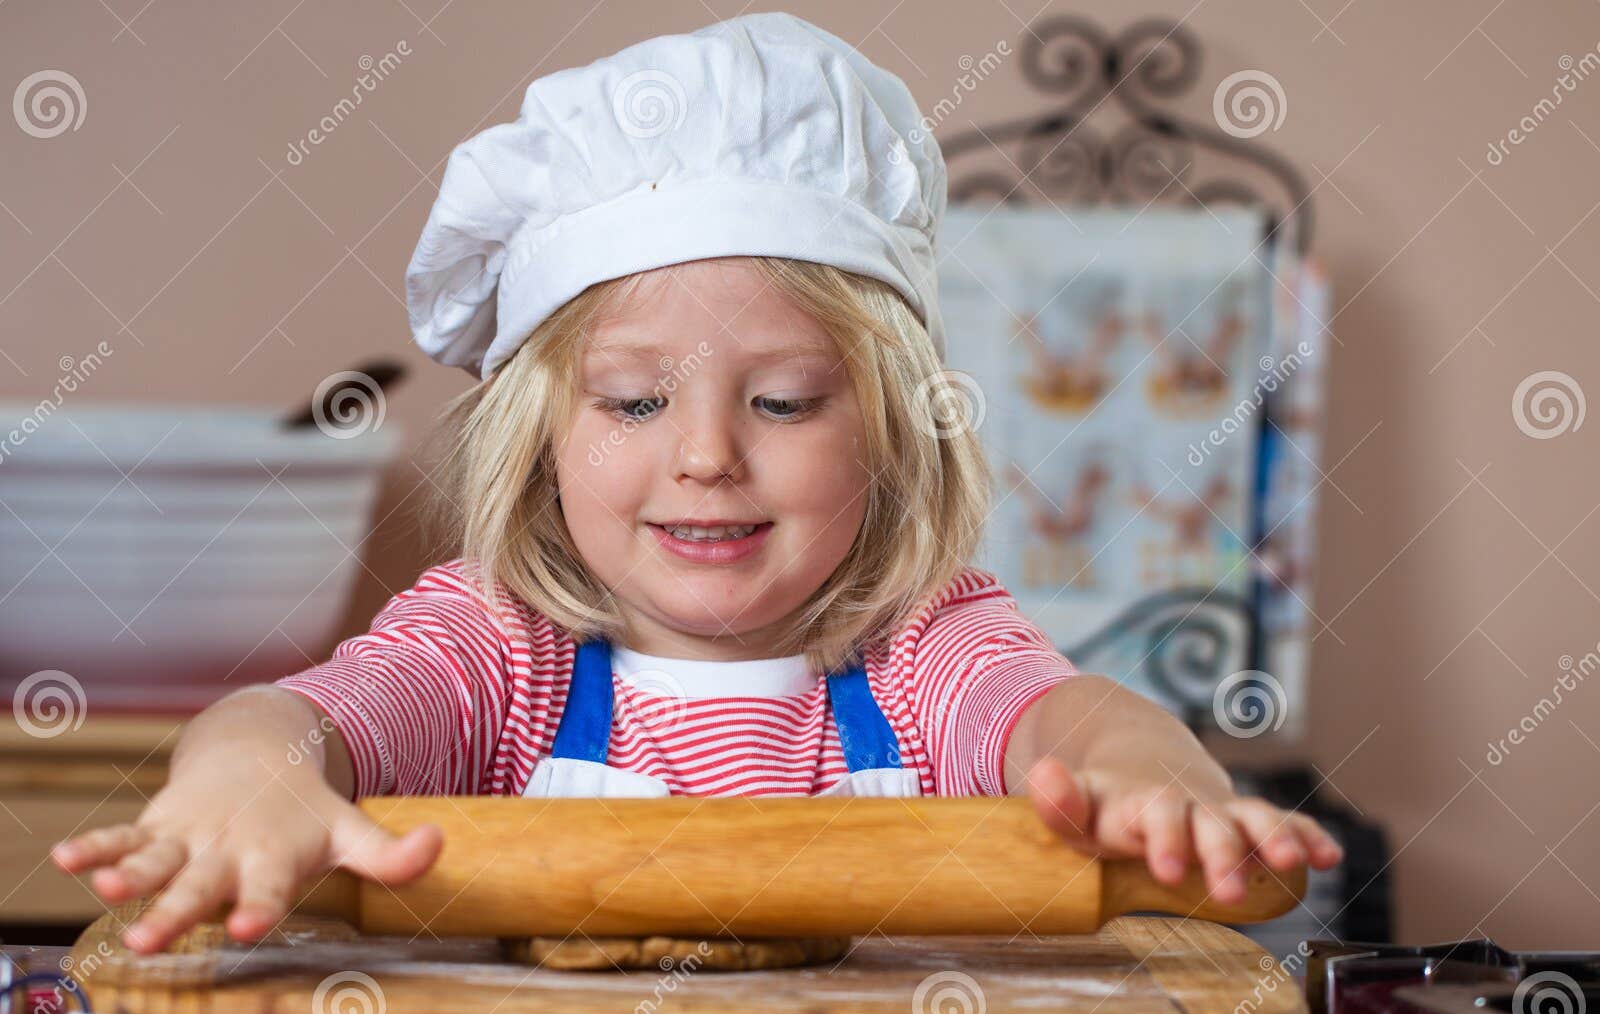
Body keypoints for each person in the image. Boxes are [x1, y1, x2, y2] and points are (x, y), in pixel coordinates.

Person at [53, 12, 1341, 954]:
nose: (708, 456)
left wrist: (1145, 770)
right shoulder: (496, 651)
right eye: (633, 401)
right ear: (543, 433)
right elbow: (312, 723)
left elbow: (1062, 722)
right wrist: (249, 778)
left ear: (894, 432)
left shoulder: (919, 652)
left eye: (783, 402)